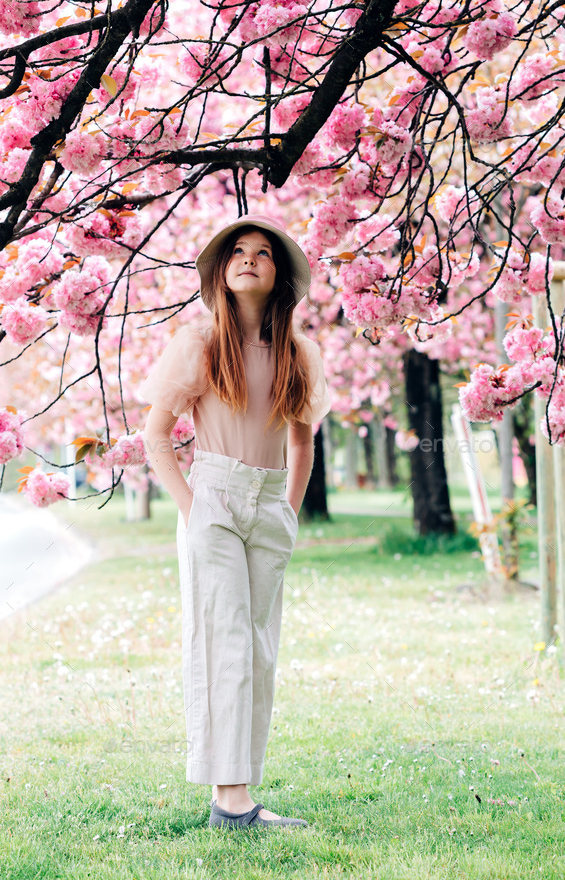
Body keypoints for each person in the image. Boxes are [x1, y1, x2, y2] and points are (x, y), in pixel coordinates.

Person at [141, 214, 331, 829]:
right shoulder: (199, 344)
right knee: (222, 640)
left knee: (258, 646)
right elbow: (156, 437)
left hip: (270, 500)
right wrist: (194, 509)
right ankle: (230, 798)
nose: (250, 259)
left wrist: (289, 510)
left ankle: (242, 789)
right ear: (222, 273)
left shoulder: (299, 354)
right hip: (215, 499)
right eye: (238, 252)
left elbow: (302, 443)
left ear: (279, 276)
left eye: (264, 253)